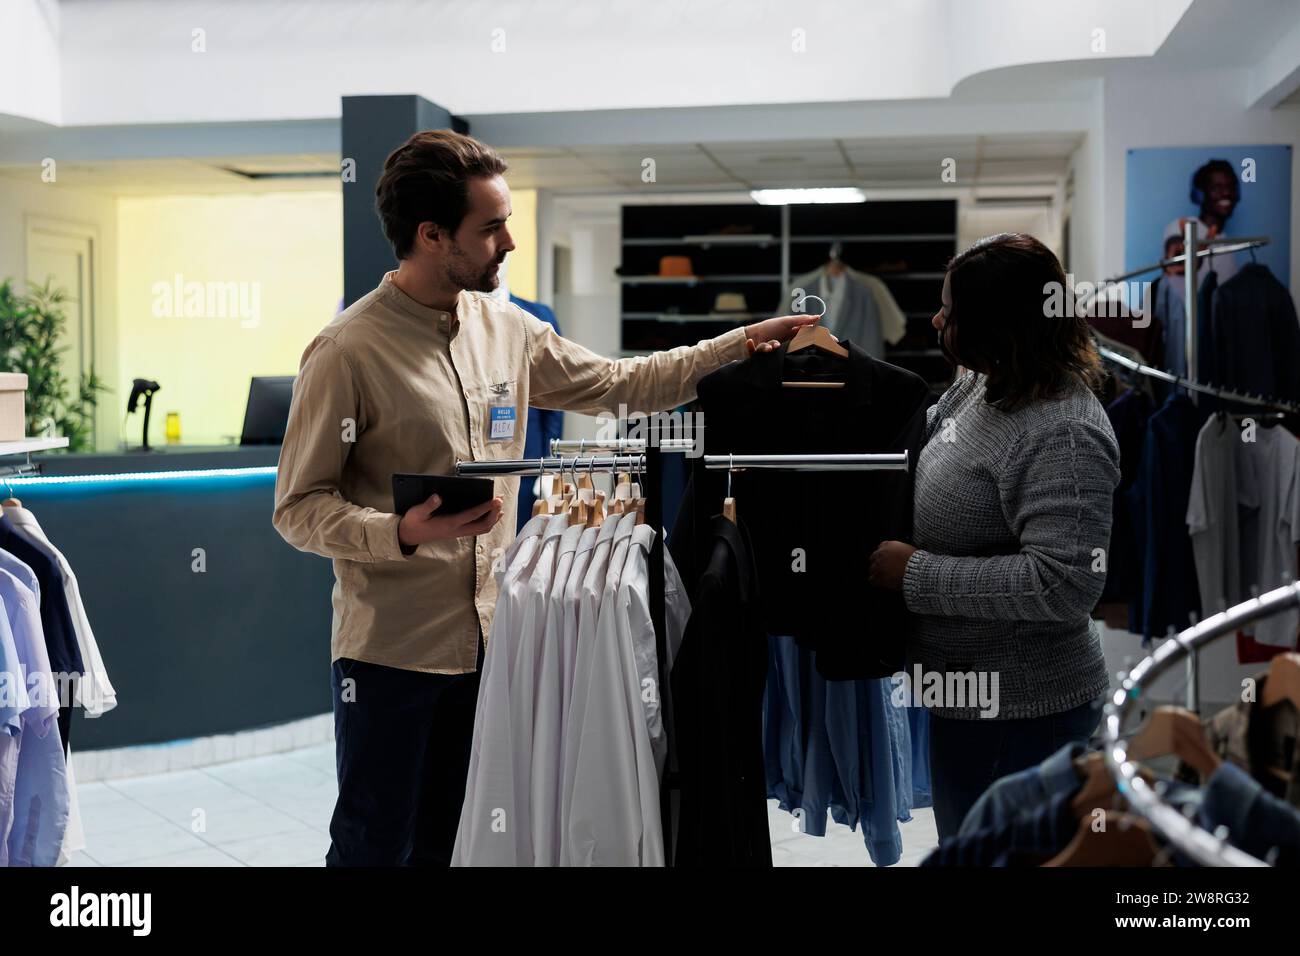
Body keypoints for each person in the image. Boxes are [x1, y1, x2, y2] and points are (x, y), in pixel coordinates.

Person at [271, 129, 815, 866]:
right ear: (432, 236)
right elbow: (298, 508)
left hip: (502, 647)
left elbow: (624, 385)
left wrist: (742, 342)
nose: (509, 244)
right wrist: (399, 530)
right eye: (490, 227)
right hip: (392, 657)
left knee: (463, 841)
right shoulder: (347, 351)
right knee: (374, 846)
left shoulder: (511, 330)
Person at [867, 233, 1121, 840]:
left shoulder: (1062, 431)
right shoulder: (984, 383)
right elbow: (924, 441)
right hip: (967, 699)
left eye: (951, 313)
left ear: (997, 326)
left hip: (1026, 711)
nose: (935, 320)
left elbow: (1065, 584)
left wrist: (916, 575)